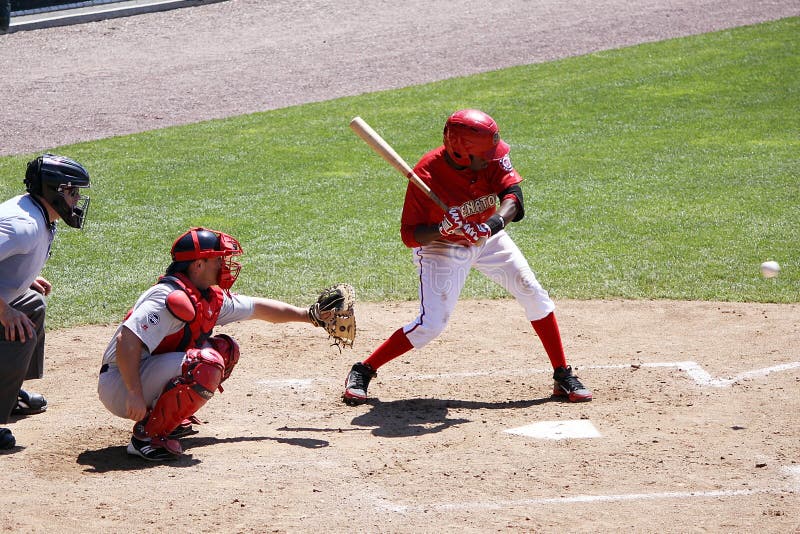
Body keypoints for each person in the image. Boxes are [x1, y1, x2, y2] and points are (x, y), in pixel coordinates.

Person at [342, 109, 592, 406]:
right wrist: (440, 228)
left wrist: (491, 225)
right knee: (431, 324)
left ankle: (562, 374)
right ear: (462, 153)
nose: (492, 158)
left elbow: (513, 195)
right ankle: (364, 369)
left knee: (533, 292)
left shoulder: (491, 154)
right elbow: (410, 235)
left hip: (488, 237)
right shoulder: (426, 175)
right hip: (441, 248)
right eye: (485, 154)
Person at [98, 227, 347, 461]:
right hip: (121, 382)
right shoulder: (168, 298)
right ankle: (146, 439)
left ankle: (165, 421)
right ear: (198, 264)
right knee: (205, 363)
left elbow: (258, 308)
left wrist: (309, 316)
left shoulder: (205, 296)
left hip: (144, 373)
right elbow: (127, 340)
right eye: (217, 259)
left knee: (225, 350)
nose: (224, 264)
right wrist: (134, 394)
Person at [0, 154, 91, 449]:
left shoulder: (39, 214)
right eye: (72, 191)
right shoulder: (23, 226)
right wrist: (4, 311)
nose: (77, 199)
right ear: (54, 190)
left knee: (32, 303)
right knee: (20, 324)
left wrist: (24, 280)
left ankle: (8, 394)